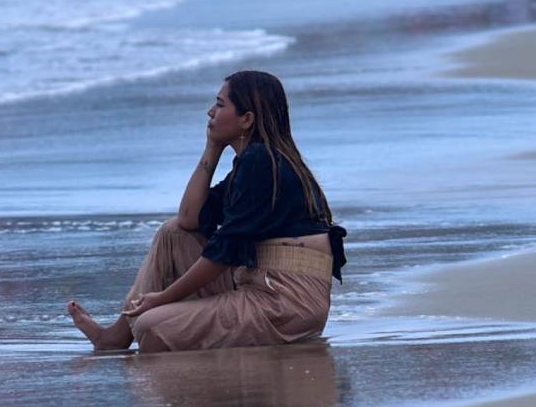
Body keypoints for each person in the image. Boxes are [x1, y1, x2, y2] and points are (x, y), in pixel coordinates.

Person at [67, 71, 347, 353]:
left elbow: (224, 252)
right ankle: (115, 336)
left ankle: (129, 329)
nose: (210, 112)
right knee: (173, 233)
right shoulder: (254, 161)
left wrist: (162, 298)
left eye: (220, 104)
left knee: (150, 326)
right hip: (263, 285)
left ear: (247, 119)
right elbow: (190, 218)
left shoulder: (263, 163)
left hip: (285, 305)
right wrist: (212, 148)